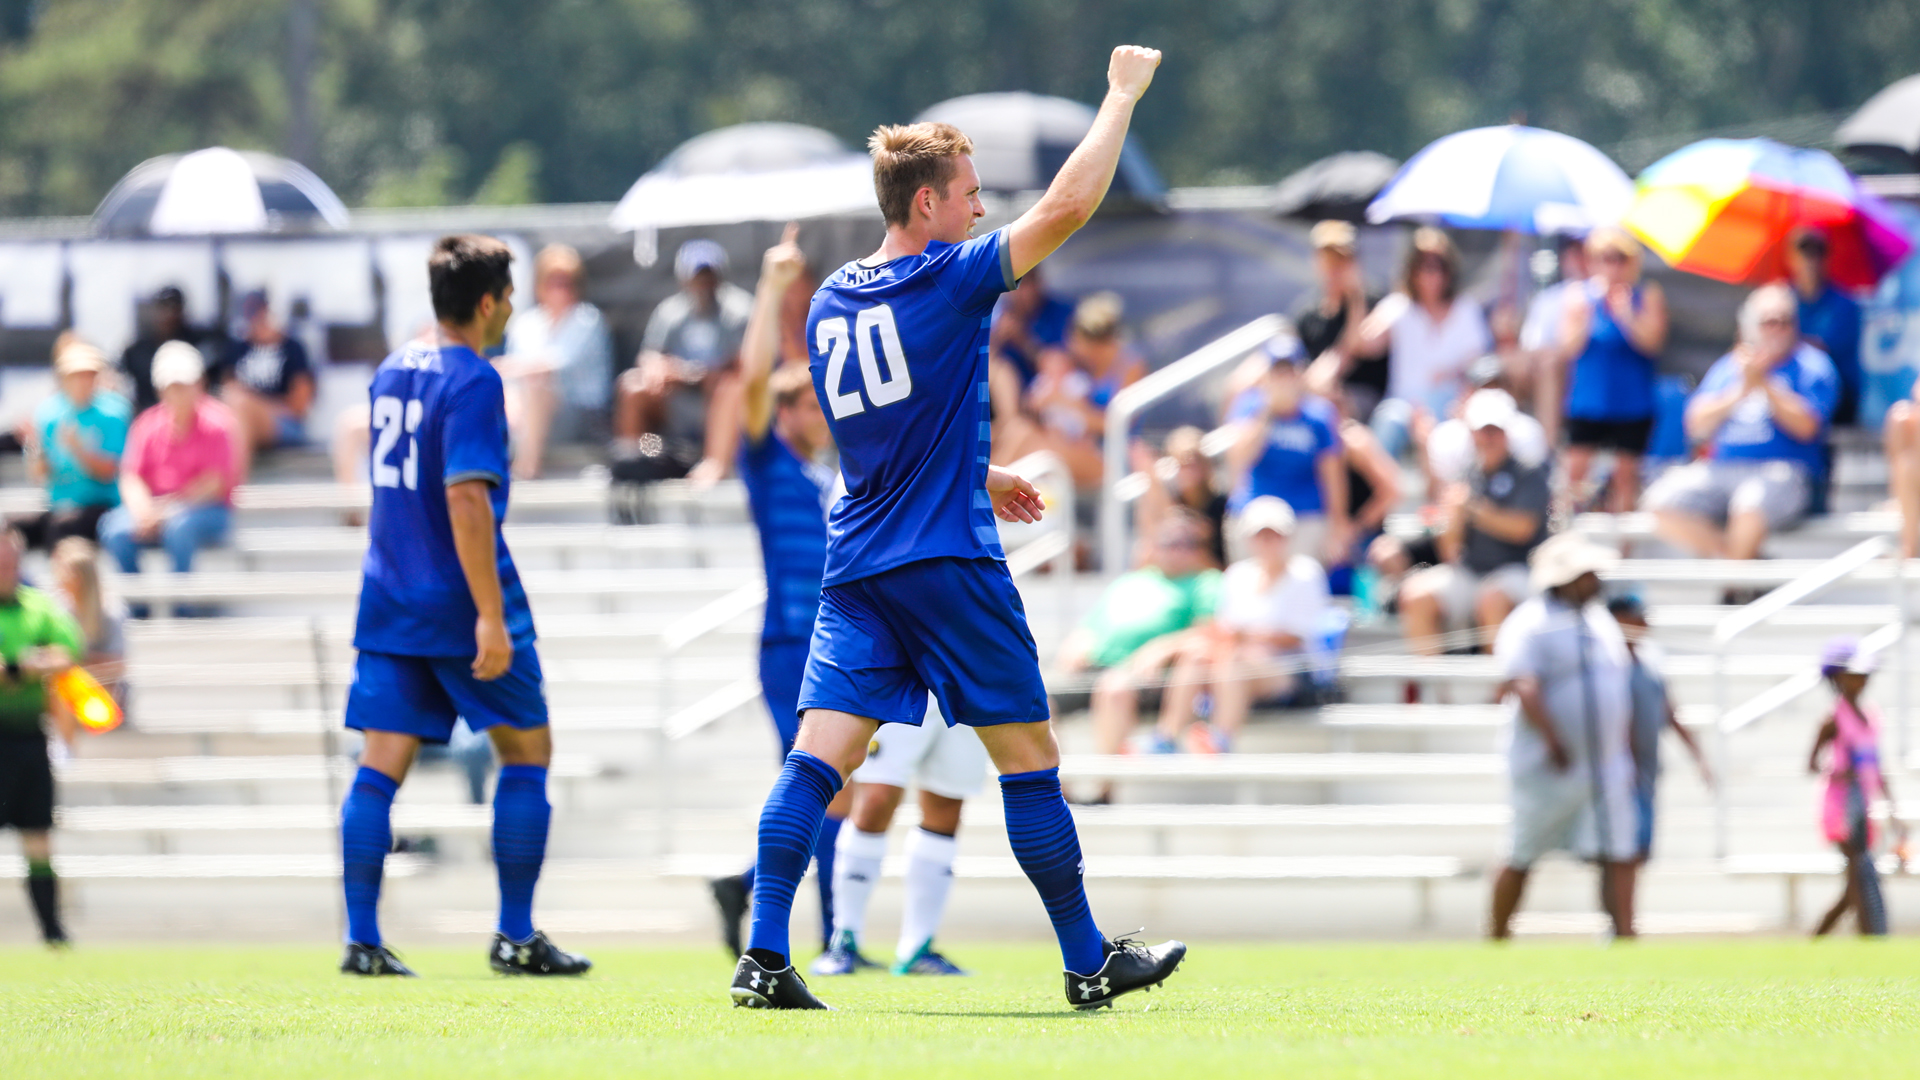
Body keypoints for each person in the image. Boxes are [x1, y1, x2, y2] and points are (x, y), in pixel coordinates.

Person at [730, 46, 1187, 1012]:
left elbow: (875, 428)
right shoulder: (946, 280)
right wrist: (1120, 97)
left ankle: (765, 955)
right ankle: (1085, 959)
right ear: (926, 203)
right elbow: (1066, 208)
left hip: (858, 565)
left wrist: (979, 466)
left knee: (818, 757)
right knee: (1030, 759)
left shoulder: (828, 299)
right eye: (970, 193)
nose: (981, 209)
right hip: (947, 559)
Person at [335, 235, 589, 978]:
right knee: (527, 751)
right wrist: (488, 615)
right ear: (487, 302)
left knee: (378, 769)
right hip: (458, 598)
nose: (513, 306)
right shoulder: (474, 379)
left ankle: (361, 940)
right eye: (508, 294)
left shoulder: (392, 369)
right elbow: (468, 500)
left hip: (387, 597)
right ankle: (515, 936)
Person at [707, 226, 850, 962]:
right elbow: (754, 382)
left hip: (826, 640)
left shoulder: (827, 477)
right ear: (791, 414)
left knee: (828, 786)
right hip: (790, 641)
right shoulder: (768, 462)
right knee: (822, 784)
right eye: (812, 407)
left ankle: (750, 887)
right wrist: (770, 289)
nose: (824, 417)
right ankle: (830, 938)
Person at [1488, 533, 1638, 940]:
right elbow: (1524, 684)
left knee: (1617, 852)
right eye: (1588, 573)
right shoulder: (1529, 621)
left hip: (1604, 765)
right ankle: (1496, 939)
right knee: (1523, 851)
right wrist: (1553, 740)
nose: (1596, 580)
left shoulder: (1598, 618)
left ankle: (1625, 937)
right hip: (1547, 765)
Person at [1644, 284, 1836, 562]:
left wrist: (1764, 384)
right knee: (1659, 501)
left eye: (1785, 321)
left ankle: (1735, 587)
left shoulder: (1812, 365)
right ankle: (1739, 564)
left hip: (1784, 470)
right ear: (1750, 326)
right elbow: (1696, 425)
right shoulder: (1729, 367)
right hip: (1722, 470)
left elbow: (1807, 427)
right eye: (1769, 322)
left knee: (1750, 504)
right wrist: (1739, 391)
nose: (1777, 329)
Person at [815, 699, 988, 977]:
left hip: (966, 677)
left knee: (946, 807)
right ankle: (843, 940)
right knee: (875, 800)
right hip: (907, 677)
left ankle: (917, 947)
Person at [1156, 497, 1328, 754]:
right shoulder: (1237, 575)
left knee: (1237, 661)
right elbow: (1225, 629)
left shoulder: (1306, 573)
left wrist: (1244, 637)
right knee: (1197, 658)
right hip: (1240, 661)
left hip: (1292, 669)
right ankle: (1166, 737)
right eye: (1261, 535)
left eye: (1274, 535)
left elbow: (1297, 636)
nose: (1268, 542)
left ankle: (1221, 738)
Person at [1059, 510, 1222, 767]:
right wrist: (1076, 646)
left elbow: (1209, 633)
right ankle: (1056, 792)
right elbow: (1089, 627)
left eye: (1188, 543)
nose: (1178, 550)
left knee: (1114, 688)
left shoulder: (1206, 582)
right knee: (1036, 697)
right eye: (1170, 542)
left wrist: (1162, 648)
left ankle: (1106, 789)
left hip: (1151, 675)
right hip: (1096, 667)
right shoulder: (1129, 581)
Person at [1398, 390, 1549, 669]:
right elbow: (1449, 550)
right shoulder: (1466, 474)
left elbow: (1522, 529)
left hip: (1518, 569)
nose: (1489, 438)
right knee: (1415, 594)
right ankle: (1435, 692)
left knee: (1492, 598)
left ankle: (1500, 690)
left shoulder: (1529, 472)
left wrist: (1474, 510)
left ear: (1507, 433)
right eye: (1483, 431)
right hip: (1471, 571)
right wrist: (1452, 518)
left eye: (1495, 430)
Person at [97, 343, 242, 598]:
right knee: (114, 529)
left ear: (199, 384)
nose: (179, 393)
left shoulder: (219, 423)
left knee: (180, 528)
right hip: (159, 508)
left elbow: (215, 484)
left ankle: (181, 607)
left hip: (206, 509)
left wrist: (163, 511)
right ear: (161, 390)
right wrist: (143, 511)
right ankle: (138, 607)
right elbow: (131, 476)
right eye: (172, 387)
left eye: (184, 385)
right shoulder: (147, 424)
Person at [0, 530, 85, 946]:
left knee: (37, 835)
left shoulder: (38, 605)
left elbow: (66, 654)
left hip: (28, 737)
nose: (6, 572)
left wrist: (13, 669)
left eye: (11, 564)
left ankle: (52, 932)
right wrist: (27, 667)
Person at [613, 239, 752, 475]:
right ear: (684, 278)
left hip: (719, 400)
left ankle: (719, 464)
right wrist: (656, 370)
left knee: (729, 386)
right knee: (632, 385)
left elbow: (741, 365)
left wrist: (686, 374)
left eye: (709, 275)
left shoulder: (740, 310)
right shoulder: (670, 312)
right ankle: (637, 463)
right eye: (697, 276)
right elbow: (649, 356)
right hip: (677, 401)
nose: (704, 283)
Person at [1553, 228, 1667, 514]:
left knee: (1625, 476)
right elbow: (1568, 348)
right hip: (1589, 402)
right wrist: (1588, 313)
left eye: (1620, 259)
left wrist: (1626, 314)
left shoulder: (1646, 296)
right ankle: (1565, 531)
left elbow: (1652, 344)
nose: (1612, 266)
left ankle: (1623, 551)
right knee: (1574, 472)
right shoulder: (1579, 297)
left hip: (1631, 403)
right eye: (1605, 258)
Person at [1353, 227, 1491, 461]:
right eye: (1423, 265)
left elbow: (1477, 365)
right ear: (1412, 271)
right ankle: (1383, 492)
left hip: (1452, 405)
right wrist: (1355, 293)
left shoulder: (1466, 309)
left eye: (1438, 265)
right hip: (1404, 406)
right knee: (1388, 423)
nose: (1431, 274)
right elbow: (1364, 344)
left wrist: (1449, 374)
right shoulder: (1399, 306)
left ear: (1449, 270)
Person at [1606, 595, 1710, 866]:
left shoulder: (1649, 661)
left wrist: (1698, 756)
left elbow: (1668, 711)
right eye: (1636, 616)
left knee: (1638, 851)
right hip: (1617, 777)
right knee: (1621, 853)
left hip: (1644, 775)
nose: (1643, 623)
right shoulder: (1604, 665)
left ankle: (1625, 909)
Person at [1809, 637, 1903, 937]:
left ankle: (1815, 939)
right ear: (1837, 677)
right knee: (1861, 874)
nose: (1860, 681)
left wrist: (1892, 806)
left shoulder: (1871, 716)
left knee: (1855, 882)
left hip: (1863, 804)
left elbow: (1877, 767)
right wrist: (1839, 771)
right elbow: (1811, 763)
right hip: (1839, 807)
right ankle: (1872, 937)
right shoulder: (1832, 718)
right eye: (1852, 675)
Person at [498, 245, 615, 480]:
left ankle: (525, 470)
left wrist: (503, 367)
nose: (559, 288)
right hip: (524, 413)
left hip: (582, 415)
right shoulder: (526, 324)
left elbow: (554, 363)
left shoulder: (588, 320)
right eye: (553, 281)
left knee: (538, 383)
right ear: (539, 283)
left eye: (566, 281)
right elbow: (511, 381)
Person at [1224, 349, 1350, 566]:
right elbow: (1238, 459)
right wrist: (1267, 411)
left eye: (1289, 372)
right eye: (1278, 372)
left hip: (1305, 513)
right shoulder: (1250, 406)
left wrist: (1337, 524)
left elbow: (1332, 472)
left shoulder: (1319, 414)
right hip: (1256, 509)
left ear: (1299, 374)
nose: (1284, 379)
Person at [18, 342, 131, 550]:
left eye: (88, 375)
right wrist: (34, 446)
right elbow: (38, 474)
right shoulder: (48, 413)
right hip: (60, 505)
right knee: (14, 531)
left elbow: (110, 471)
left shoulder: (113, 413)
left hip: (101, 506)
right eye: (76, 375)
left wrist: (79, 450)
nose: (83, 382)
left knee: (63, 527)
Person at [1298, 220, 1385, 422]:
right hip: (1318, 395)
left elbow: (1358, 345)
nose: (1334, 268)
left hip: (1364, 398)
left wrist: (1355, 295)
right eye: (1328, 259)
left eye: (1341, 260)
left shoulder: (1373, 303)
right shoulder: (1308, 314)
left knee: (1329, 405)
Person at [215, 291, 314, 456]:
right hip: (243, 421)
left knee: (240, 405)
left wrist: (256, 405)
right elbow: (227, 392)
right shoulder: (238, 348)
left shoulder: (293, 348)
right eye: (252, 314)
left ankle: (234, 476)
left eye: (262, 312)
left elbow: (299, 406)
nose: (258, 319)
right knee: (234, 407)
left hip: (287, 425)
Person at [1787, 228, 1863, 427]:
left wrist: (1784, 342)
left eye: (1817, 253)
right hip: (1792, 391)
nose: (1810, 261)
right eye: (1804, 253)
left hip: (1839, 396)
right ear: (1791, 258)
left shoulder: (1844, 304)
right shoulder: (1783, 300)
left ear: (1826, 259)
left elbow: (1823, 348)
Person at [1521, 233, 1592, 437]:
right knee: (1493, 367)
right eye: (1572, 253)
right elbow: (1531, 345)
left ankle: (1546, 447)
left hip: (1579, 368)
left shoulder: (1600, 295)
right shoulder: (1548, 298)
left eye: (1582, 253)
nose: (1577, 260)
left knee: (1550, 367)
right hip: (1539, 364)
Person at [1132, 426, 1228, 568]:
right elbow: (1151, 539)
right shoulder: (1170, 501)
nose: (1190, 469)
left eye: (1196, 461)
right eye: (1184, 463)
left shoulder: (1222, 506)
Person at [47, 538, 127, 698]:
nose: (58, 577)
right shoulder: (57, 609)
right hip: (71, 687)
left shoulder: (111, 612)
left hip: (104, 690)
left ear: (80, 578)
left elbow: (118, 664)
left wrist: (75, 659)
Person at [116, 286, 204, 414]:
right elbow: (119, 374)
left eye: (173, 308)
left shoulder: (199, 343)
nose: (168, 315)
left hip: (189, 416)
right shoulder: (137, 349)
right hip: (147, 416)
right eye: (163, 308)